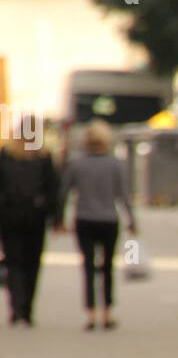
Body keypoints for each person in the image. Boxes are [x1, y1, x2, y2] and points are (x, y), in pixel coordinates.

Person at [58, 119, 136, 331]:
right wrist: (132, 220)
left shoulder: (77, 163)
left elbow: (64, 192)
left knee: (88, 267)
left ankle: (90, 314)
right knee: (108, 267)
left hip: (84, 219)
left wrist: (59, 220)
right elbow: (123, 195)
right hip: (109, 220)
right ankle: (107, 313)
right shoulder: (115, 164)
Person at [0, 132, 59, 326]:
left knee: (13, 261)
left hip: (9, 215)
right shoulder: (43, 157)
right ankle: (27, 310)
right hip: (36, 216)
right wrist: (55, 217)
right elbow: (53, 189)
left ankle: (16, 306)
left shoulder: (6, 154)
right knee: (32, 263)